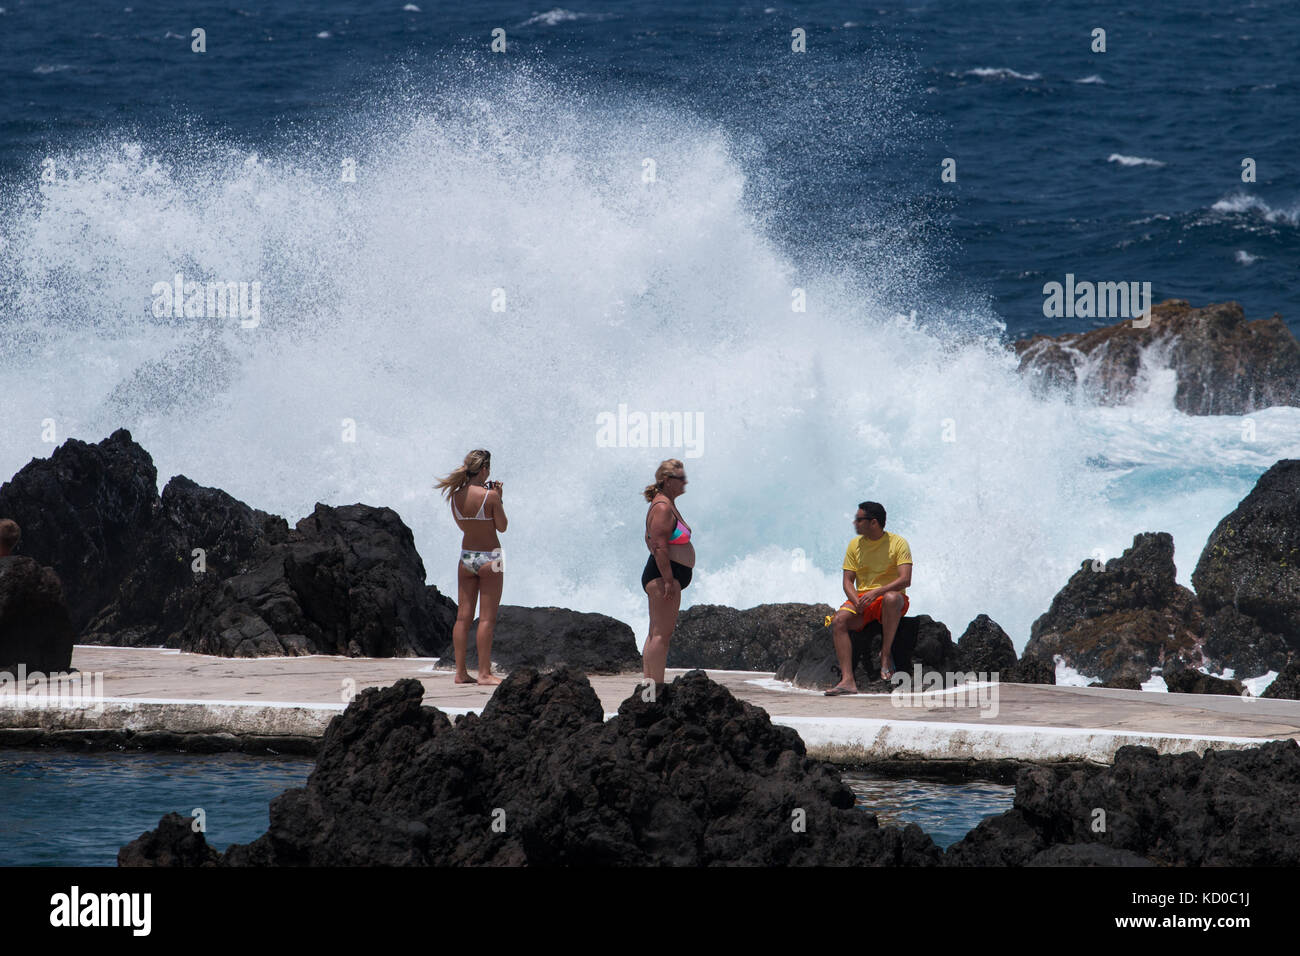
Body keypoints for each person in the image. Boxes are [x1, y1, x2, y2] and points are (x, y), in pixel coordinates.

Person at [435, 450, 507, 686]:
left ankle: (461, 673)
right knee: (486, 619)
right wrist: (499, 496)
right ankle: (484, 674)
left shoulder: (455, 496)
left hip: (466, 557)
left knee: (462, 618)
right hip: (491, 557)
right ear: (484, 469)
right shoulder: (490, 497)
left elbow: (463, 526)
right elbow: (502, 527)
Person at [825, 501, 912, 695]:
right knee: (838, 620)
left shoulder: (898, 543)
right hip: (863, 601)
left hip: (891, 599)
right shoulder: (854, 545)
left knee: (890, 598)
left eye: (859, 520)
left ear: (873, 522)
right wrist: (857, 601)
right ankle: (848, 680)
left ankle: (886, 655)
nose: (855, 523)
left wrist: (877, 592)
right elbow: (847, 581)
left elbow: (905, 579)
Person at [640, 459, 694, 685]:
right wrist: (669, 579)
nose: (685, 482)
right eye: (681, 478)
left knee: (655, 633)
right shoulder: (662, 507)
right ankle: (656, 690)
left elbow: (649, 539)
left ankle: (649, 692)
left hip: (664, 575)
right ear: (667, 481)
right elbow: (659, 545)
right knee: (660, 635)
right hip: (663, 577)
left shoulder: (665, 504)